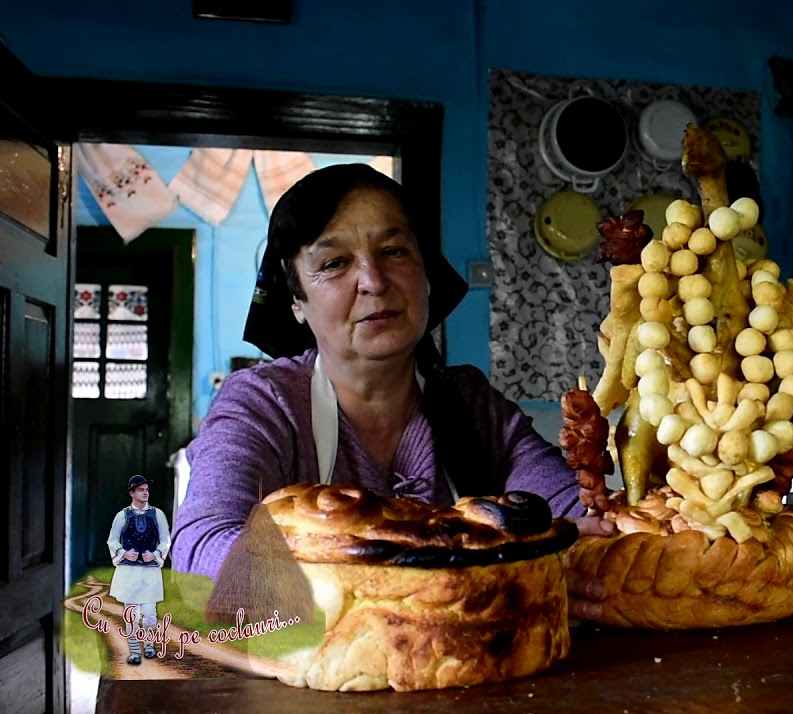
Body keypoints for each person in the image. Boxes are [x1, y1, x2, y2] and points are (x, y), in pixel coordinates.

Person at [170, 163, 612, 620]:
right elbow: (201, 552)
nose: (374, 281)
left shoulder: (471, 403)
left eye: (395, 251)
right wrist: (461, 581)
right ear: (296, 302)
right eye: (335, 263)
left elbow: (574, 515)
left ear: (426, 276)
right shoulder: (265, 405)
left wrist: (583, 548)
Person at [107, 475, 170, 665]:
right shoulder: (122, 515)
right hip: (129, 572)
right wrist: (124, 553)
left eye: (147, 490)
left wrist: (156, 553)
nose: (145, 493)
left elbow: (165, 539)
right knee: (131, 614)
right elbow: (112, 540)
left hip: (150, 571)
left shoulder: (157, 514)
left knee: (150, 614)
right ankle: (135, 651)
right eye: (141, 490)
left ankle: (149, 646)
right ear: (132, 493)